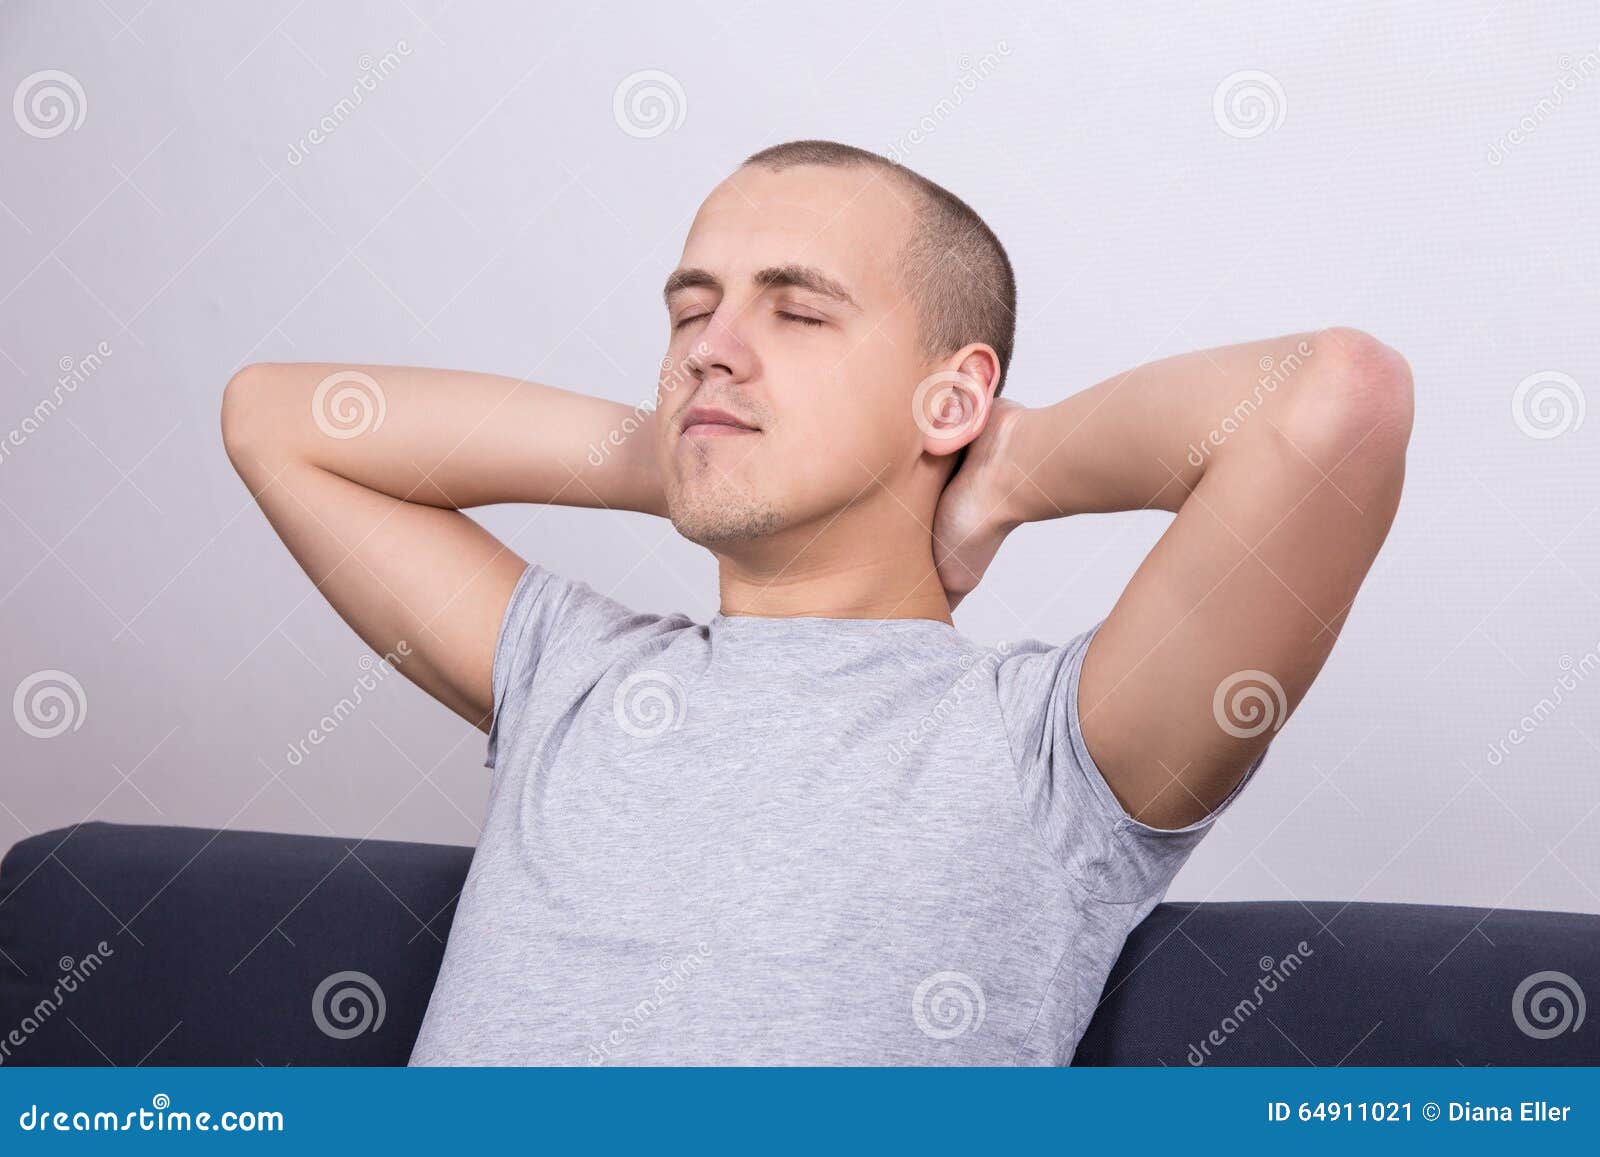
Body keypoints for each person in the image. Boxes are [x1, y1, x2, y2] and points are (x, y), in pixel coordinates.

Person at [219, 139, 1412, 1064]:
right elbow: (277, 419)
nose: (710, 347)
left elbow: (1334, 400)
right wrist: (679, 448)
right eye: (691, 311)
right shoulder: (572, 674)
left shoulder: (1053, 750)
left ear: (949, 399)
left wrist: (1008, 466)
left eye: (795, 312)